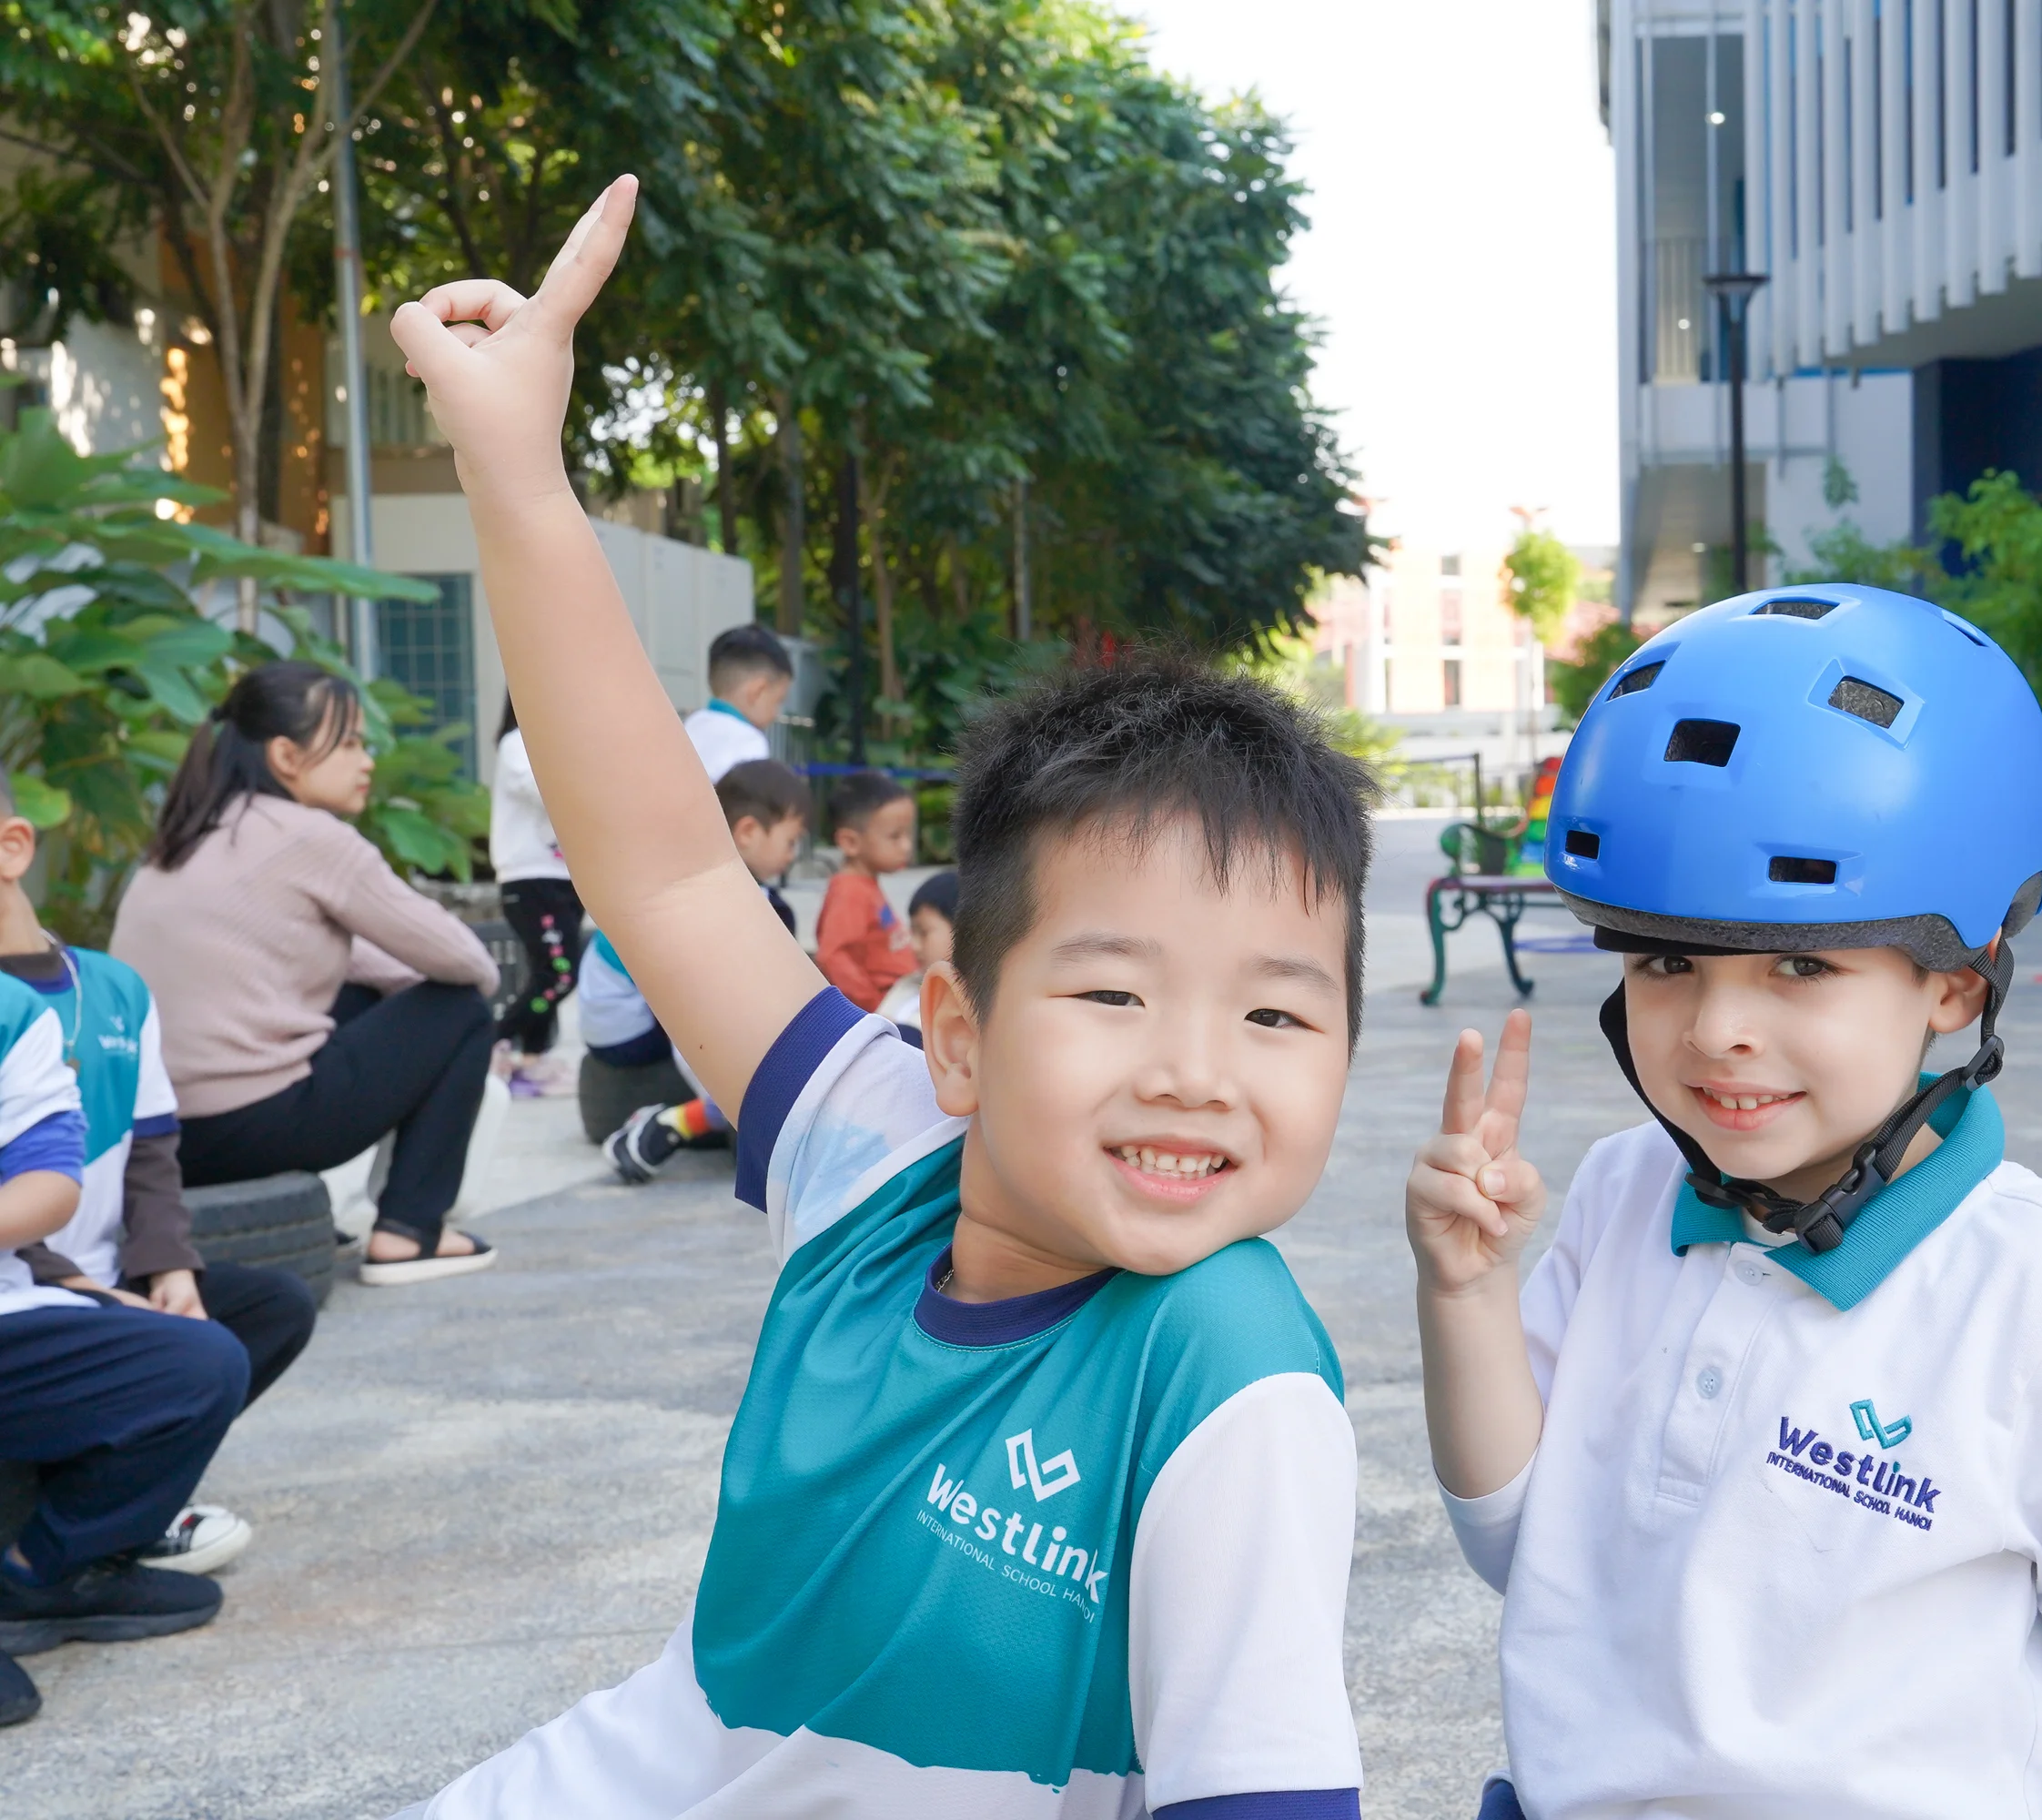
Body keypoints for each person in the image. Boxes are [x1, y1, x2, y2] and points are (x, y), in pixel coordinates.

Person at [384, 177, 1370, 1819]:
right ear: (959, 1035)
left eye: (1276, 1017)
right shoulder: (879, 1146)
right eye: (1115, 993)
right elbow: (672, 872)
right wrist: (517, 474)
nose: (1198, 1072)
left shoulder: (1229, 1371)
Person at [1406, 583, 2042, 1819]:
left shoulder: (2014, 1293)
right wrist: (1468, 1294)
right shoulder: (1619, 1192)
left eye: (1799, 966)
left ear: (1956, 990)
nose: (1715, 1032)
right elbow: (1519, 1551)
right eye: (1664, 963)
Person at [0, 790, 315, 1575]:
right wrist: (82, 1287)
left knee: (272, 1308)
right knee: (193, 1360)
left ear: (13, 848)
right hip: (34, 1283)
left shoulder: (113, 989)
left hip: (101, 1274)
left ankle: (119, 1500)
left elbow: (151, 1151)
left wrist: (167, 1267)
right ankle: (53, 1559)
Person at [110, 662, 504, 1288]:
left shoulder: (185, 833)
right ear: (287, 755)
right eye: (348, 743)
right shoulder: (310, 836)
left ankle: (391, 1222)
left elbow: (278, 947)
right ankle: (409, 1229)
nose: (366, 760)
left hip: (165, 1142)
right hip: (253, 1127)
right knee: (457, 1010)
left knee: (358, 991)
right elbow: (467, 962)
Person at [0, 969, 246, 1724]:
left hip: (21, 1303)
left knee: (206, 1357)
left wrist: (155, 1268)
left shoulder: (25, 1008)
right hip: (57, 1283)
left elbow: (51, 1177)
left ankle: (40, 1572)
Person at [602, 759, 810, 1179]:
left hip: (627, 1017)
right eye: (791, 842)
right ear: (749, 832)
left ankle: (688, 1119)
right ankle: (681, 1122)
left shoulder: (699, 880)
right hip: (642, 1025)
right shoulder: (719, 896)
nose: (793, 856)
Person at [489, 693, 583, 1093]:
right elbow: (546, 791)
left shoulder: (564, 748)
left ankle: (529, 1058)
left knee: (546, 972)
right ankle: (493, 1039)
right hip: (530, 878)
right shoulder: (518, 744)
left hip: (562, 876)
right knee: (559, 975)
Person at [814, 770, 917, 1013]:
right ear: (850, 842)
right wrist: (875, 1007)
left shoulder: (864, 884)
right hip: (888, 1006)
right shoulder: (850, 891)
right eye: (895, 836)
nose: (907, 846)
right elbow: (833, 956)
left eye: (907, 834)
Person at [681, 624, 793, 783]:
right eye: (778, 701)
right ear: (758, 691)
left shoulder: (691, 724)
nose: (777, 713)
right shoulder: (750, 741)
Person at [876, 868, 958, 1039]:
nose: (914, 946)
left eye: (923, 933)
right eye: (912, 933)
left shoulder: (965, 1002)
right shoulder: (907, 985)